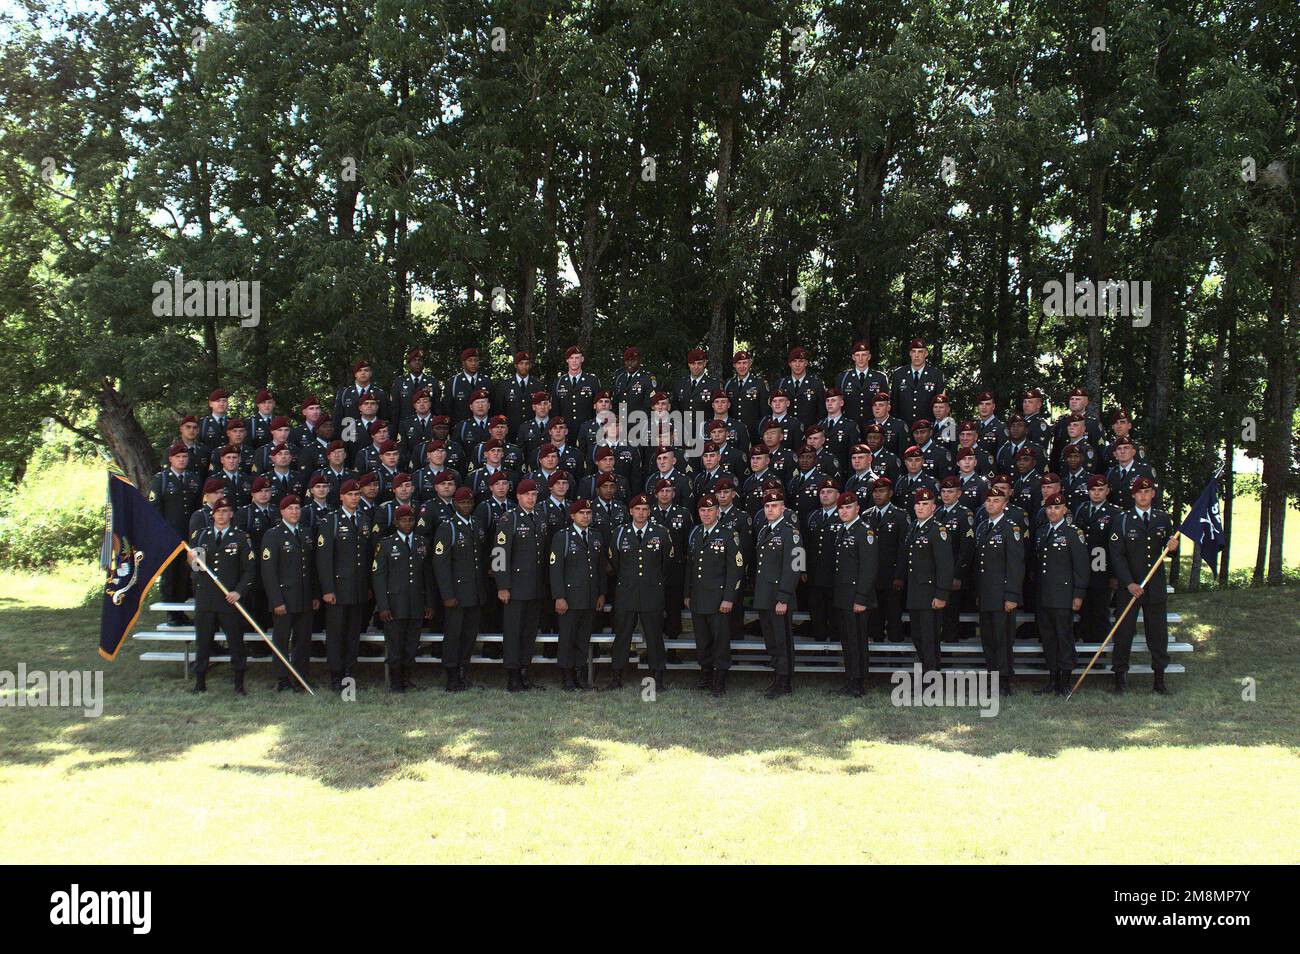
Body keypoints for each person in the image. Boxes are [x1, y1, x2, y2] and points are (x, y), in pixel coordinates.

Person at [1107, 476, 1178, 694]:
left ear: (1153, 494)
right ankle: (1120, 678)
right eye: (1139, 493)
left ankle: (1159, 679)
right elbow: (1116, 555)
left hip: (1154, 586)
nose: (1143, 496)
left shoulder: (1162, 519)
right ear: (1133, 495)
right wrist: (1128, 583)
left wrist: (1174, 547)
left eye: (1147, 492)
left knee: (1157, 633)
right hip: (1129, 588)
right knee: (1124, 632)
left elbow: (1172, 553)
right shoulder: (1123, 519)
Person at [606, 494, 673, 692]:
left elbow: (666, 563)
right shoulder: (620, 533)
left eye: (645, 509)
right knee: (622, 636)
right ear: (631, 511)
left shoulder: (660, 533)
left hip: (652, 592)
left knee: (654, 637)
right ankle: (616, 677)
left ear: (649, 512)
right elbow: (615, 563)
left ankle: (657, 678)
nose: (641, 513)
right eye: (637, 509)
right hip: (626, 592)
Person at [188, 498, 255, 695]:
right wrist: (191, 559)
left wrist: (239, 592)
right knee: (203, 642)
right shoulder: (201, 536)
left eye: (226, 511)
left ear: (231, 514)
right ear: (213, 514)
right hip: (206, 599)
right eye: (219, 511)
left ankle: (239, 684)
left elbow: (249, 570)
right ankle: (200, 682)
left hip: (229, 599)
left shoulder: (241, 538)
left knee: (236, 642)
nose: (222, 515)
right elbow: (195, 569)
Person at [315, 480, 374, 693]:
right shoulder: (330, 521)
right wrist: (328, 589)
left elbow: (366, 557)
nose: (354, 498)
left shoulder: (364, 520)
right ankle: (335, 674)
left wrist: (367, 586)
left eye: (357, 494)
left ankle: (349, 672)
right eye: (350, 494)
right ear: (341, 497)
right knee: (336, 634)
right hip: (338, 591)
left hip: (357, 589)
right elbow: (324, 559)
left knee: (352, 634)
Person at [686, 494, 744, 697]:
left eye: (710, 510)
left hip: (719, 600)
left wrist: (729, 598)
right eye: (702, 510)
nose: (706, 514)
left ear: (718, 512)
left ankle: (719, 680)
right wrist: (687, 593)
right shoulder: (695, 533)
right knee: (702, 641)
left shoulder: (728, 534)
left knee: (720, 641)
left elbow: (735, 570)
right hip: (699, 598)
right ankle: (706, 675)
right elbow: (690, 567)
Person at [493, 479, 548, 692]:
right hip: (514, 588)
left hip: (534, 587)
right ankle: (512, 676)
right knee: (514, 632)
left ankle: (525, 672)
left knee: (528, 633)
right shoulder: (510, 518)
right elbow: (499, 554)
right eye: (527, 495)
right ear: (518, 496)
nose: (531, 498)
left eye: (534, 495)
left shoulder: (540, 516)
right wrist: (502, 585)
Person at [260, 494, 318, 692]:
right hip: (284, 599)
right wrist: (276, 600)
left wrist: (315, 595)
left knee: (303, 641)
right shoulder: (273, 535)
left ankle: (301, 677)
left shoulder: (306, 532)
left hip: (304, 598)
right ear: (282, 512)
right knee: (282, 641)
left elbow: (312, 568)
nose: (295, 512)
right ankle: (283, 678)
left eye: (297, 508)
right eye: (290, 509)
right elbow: (269, 572)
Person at [1034, 492, 1090, 696]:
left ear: (1065, 509)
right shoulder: (1041, 532)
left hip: (1064, 595)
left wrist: (1078, 594)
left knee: (1064, 637)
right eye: (1049, 508)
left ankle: (1065, 682)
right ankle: (1052, 679)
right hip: (1045, 595)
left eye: (1056, 507)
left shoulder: (1073, 533)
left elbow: (1081, 567)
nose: (1052, 511)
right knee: (1048, 638)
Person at [374, 506, 435, 692]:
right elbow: (379, 577)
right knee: (395, 644)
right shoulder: (385, 544)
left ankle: (407, 679)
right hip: (394, 605)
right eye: (403, 520)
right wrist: (383, 606)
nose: (407, 524)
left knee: (411, 645)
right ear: (395, 522)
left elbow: (427, 576)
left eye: (410, 520)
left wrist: (429, 603)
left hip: (416, 603)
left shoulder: (421, 542)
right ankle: (395, 682)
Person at [433, 487, 486, 691]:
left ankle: (463, 673)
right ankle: (452, 677)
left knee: (469, 636)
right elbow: (441, 564)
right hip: (456, 594)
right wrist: (447, 594)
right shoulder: (448, 527)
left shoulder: (476, 524)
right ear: (455, 503)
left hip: (474, 593)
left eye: (469, 503)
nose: (467, 506)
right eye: (463, 502)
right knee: (453, 636)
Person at [895, 487, 954, 674]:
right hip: (915, 593)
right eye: (918, 504)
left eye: (925, 504)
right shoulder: (914, 527)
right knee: (919, 638)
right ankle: (927, 676)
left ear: (934, 508)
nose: (920, 507)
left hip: (930, 595)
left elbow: (945, 566)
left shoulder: (938, 530)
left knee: (929, 640)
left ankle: (931, 679)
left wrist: (941, 594)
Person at [549, 499, 606, 691]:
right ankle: (566, 677)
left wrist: (601, 594)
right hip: (569, 599)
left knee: (583, 639)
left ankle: (580, 677)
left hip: (589, 597)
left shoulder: (596, 536)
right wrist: (559, 596)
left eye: (589, 513)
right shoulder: (562, 537)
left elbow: (600, 568)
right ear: (572, 516)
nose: (586, 516)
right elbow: (555, 569)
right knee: (567, 639)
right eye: (581, 513)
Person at [974, 487, 1023, 695]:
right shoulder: (983, 526)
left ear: (1004, 505)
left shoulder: (1010, 528)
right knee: (988, 640)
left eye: (996, 500)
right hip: (986, 594)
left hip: (1003, 595)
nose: (991, 504)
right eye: (989, 501)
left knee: (1002, 640)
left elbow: (1016, 565)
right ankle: (993, 677)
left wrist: (1012, 595)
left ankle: (1004, 681)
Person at [753, 488, 801, 698]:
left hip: (779, 597)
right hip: (765, 595)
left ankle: (785, 681)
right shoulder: (765, 531)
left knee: (782, 641)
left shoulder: (791, 533)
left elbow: (794, 568)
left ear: (783, 508)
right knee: (771, 640)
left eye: (775, 506)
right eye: (767, 506)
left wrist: (783, 597)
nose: (770, 509)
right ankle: (777, 676)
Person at [830, 492, 877, 697]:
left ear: (857, 509)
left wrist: (861, 598)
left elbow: (869, 568)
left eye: (848, 507)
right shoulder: (843, 530)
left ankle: (859, 681)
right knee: (848, 641)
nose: (844, 511)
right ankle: (851, 678)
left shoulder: (864, 531)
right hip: (843, 597)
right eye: (841, 508)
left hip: (857, 598)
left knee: (858, 641)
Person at [150, 443, 202, 624]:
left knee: (188, 574)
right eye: (178, 457)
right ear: (170, 459)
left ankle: (184, 612)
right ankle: (172, 613)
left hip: (191, 536)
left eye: (184, 457)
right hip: (170, 536)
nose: (181, 460)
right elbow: (155, 510)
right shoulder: (161, 480)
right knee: (171, 576)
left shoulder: (194, 479)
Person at [890, 338, 945, 425]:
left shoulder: (936, 375)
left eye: (920, 352)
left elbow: (941, 405)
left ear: (926, 353)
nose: (916, 355)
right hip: (903, 427)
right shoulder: (899, 374)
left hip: (927, 428)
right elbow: (894, 404)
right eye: (914, 351)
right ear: (910, 353)